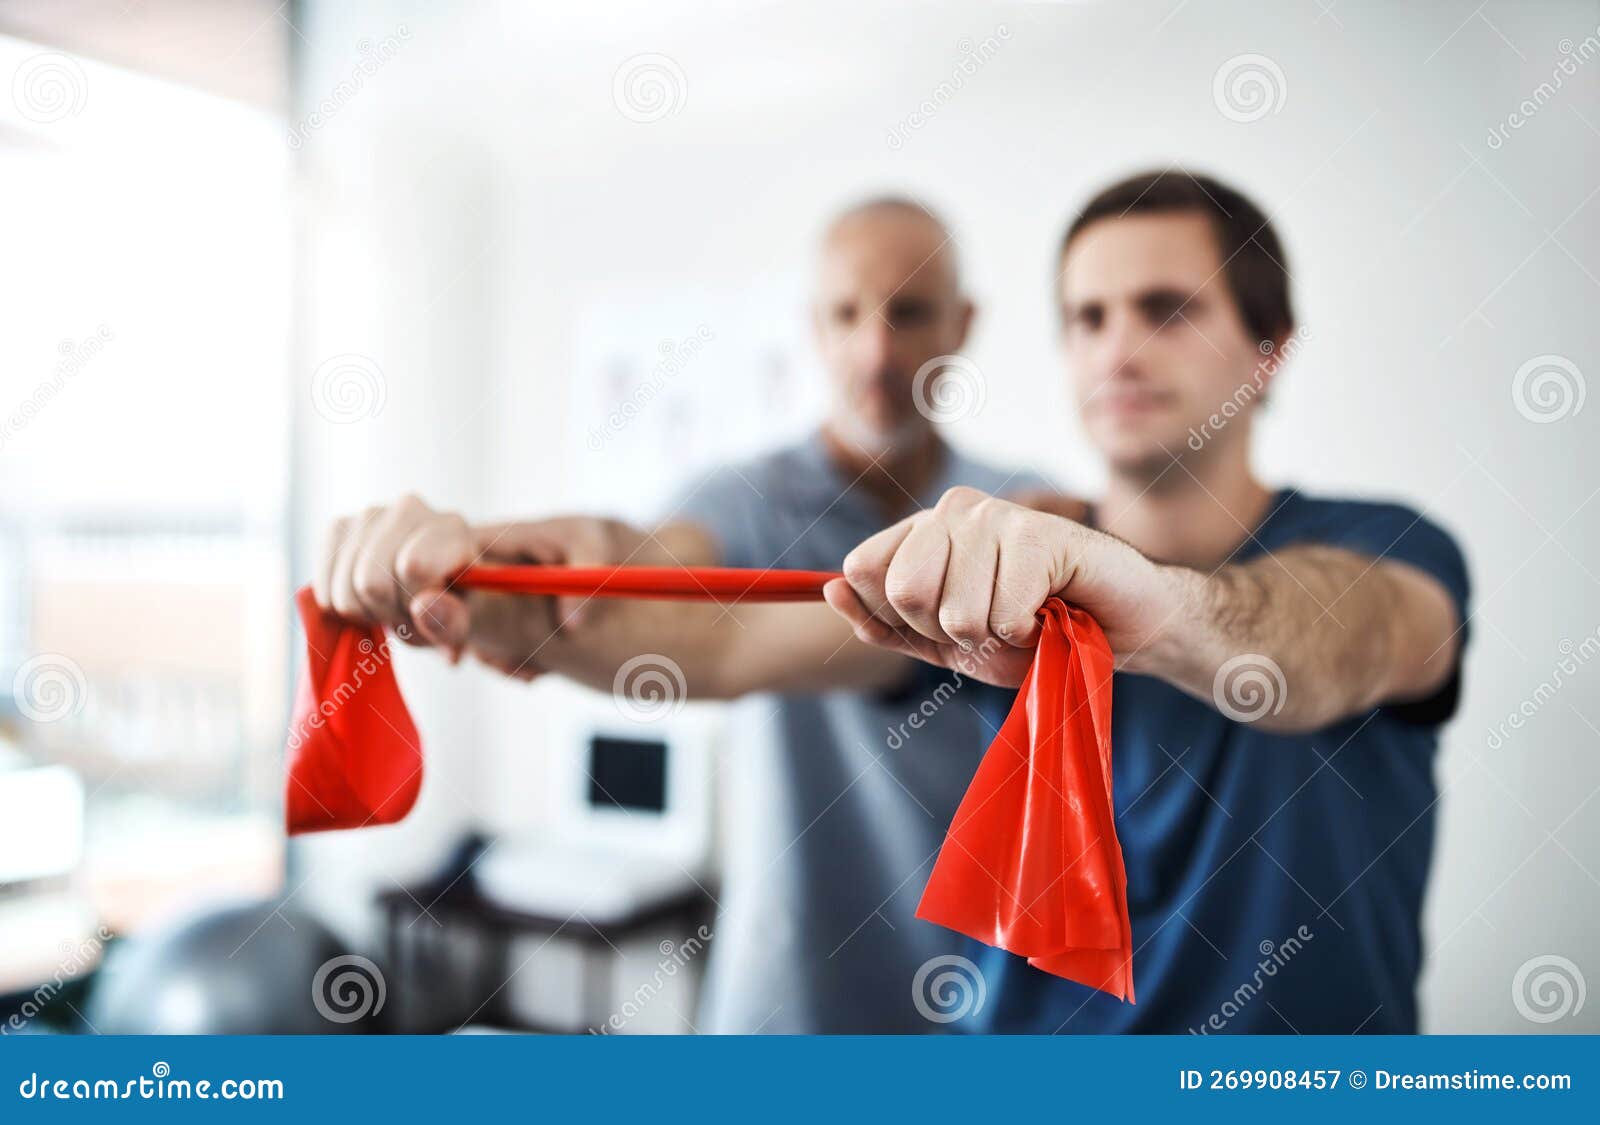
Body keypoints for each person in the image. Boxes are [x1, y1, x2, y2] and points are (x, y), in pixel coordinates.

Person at [319, 170, 1469, 1033]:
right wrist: (485, 596)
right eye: (1086, 317)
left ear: (1266, 351)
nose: (1118, 348)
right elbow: (707, 644)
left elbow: (1335, 638)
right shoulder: (996, 575)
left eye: (1166, 308)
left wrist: (1159, 609)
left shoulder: (1382, 550)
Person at [316, 196, 1067, 1034]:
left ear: (963, 323)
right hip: (780, 1003)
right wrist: (458, 577)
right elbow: (639, 596)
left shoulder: (1018, 517)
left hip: (988, 1004)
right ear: (812, 326)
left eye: (911, 311)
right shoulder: (745, 503)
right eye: (846, 312)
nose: (876, 348)